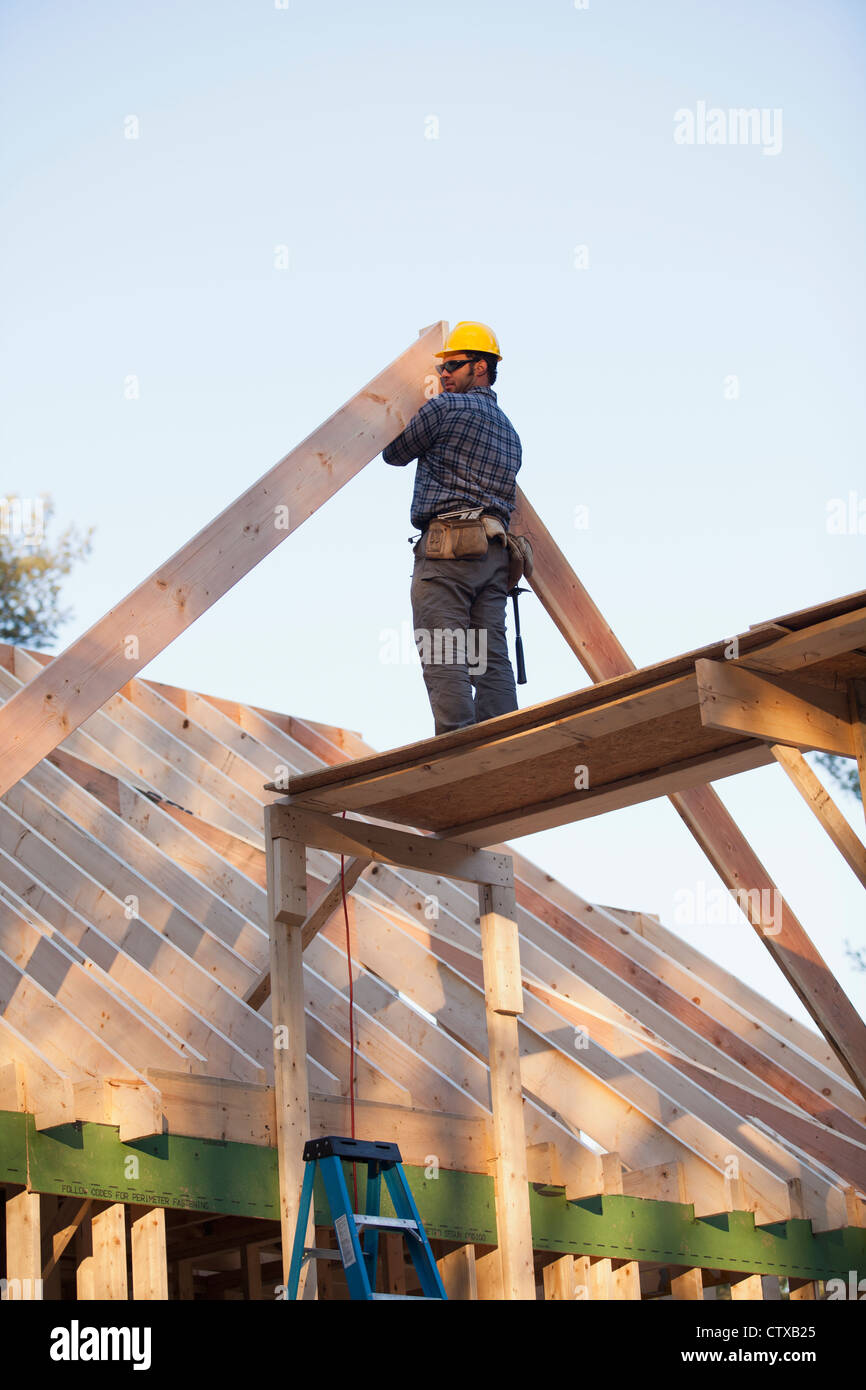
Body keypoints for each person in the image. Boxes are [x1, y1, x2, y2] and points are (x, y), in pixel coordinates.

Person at [383, 321, 523, 735]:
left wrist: (417, 407)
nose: (443, 375)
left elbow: (394, 453)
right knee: (490, 653)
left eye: (454, 365)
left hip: (448, 552)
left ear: (480, 367)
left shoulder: (444, 408)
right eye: (443, 367)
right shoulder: (511, 433)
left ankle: (457, 749)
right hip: (494, 556)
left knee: (444, 649)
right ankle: (504, 741)